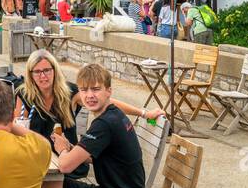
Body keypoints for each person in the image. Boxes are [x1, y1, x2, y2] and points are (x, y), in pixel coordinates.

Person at [43, 64, 147, 188]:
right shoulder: (114, 114)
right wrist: (72, 149)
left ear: (109, 91)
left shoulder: (104, 124)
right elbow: (94, 155)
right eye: (84, 90)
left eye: (96, 89)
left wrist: (63, 148)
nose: (89, 95)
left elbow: (65, 166)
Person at [15, 50, 162, 153]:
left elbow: (107, 102)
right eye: (37, 72)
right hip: (37, 155)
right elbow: (18, 128)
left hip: (68, 157)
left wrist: (143, 113)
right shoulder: (24, 95)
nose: (43, 76)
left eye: (47, 70)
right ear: (30, 74)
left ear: (54, 70)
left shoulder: (69, 92)